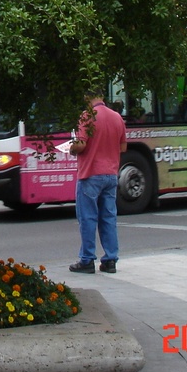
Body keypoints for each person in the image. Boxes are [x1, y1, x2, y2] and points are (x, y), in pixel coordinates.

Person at [68, 94, 127, 274]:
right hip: (111, 174)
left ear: (87, 96)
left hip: (90, 174)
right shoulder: (116, 117)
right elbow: (123, 147)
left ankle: (87, 260)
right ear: (101, 95)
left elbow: (81, 145)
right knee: (109, 218)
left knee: (88, 218)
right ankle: (110, 260)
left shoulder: (87, 116)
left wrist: (71, 148)